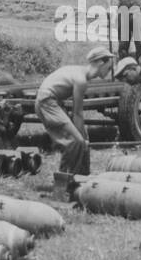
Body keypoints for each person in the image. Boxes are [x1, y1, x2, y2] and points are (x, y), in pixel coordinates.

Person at [37, 46, 115, 175]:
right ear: (101, 62)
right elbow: (77, 113)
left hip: (50, 102)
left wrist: (84, 137)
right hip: (47, 102)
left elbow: (77, 115)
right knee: (75, 141)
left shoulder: (80, 73)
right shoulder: (81, 80)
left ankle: (82, 179)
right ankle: (65, 183)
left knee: (82, 141)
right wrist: (81, 137)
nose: (110, 71)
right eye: (109, 67)